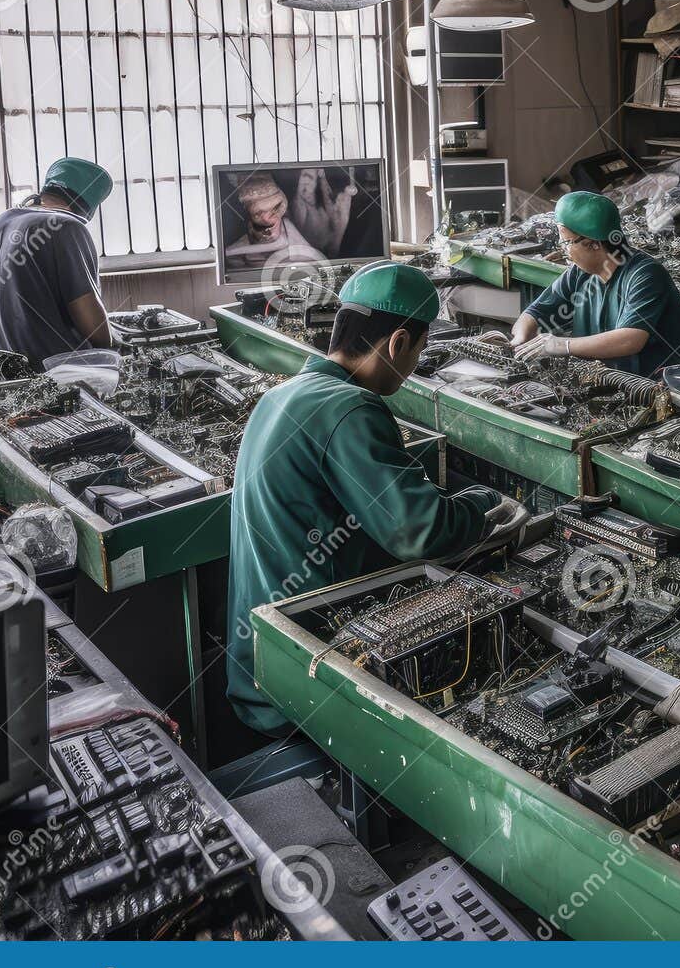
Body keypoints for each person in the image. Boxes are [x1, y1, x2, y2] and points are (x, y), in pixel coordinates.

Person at [226, 262, 527, 735]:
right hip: (307, 681)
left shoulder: (285, 394)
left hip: (260, 663)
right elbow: (420, 530)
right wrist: (483, 502)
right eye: (418, 351)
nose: (410, 370)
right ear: (398, 343)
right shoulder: (351, 408)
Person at [493, 191, 680, 377]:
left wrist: (562, 345)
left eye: (566, 242)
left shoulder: (645, 275)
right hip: (607, 385)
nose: (564, 250)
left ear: (594, 244)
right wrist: (519, 341)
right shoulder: (579, 273)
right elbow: (535, 312)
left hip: (656, 390)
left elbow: (630, 339)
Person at [0, 157, 114, 367]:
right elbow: (94, 328)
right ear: (87, 209)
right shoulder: (67, 226)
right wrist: (111, 345)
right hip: (51, 372)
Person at [222, 173, 328, 270]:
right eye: (259, 213)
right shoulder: (233, 253)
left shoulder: (298, 236)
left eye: (275, 208)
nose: (268, 218)